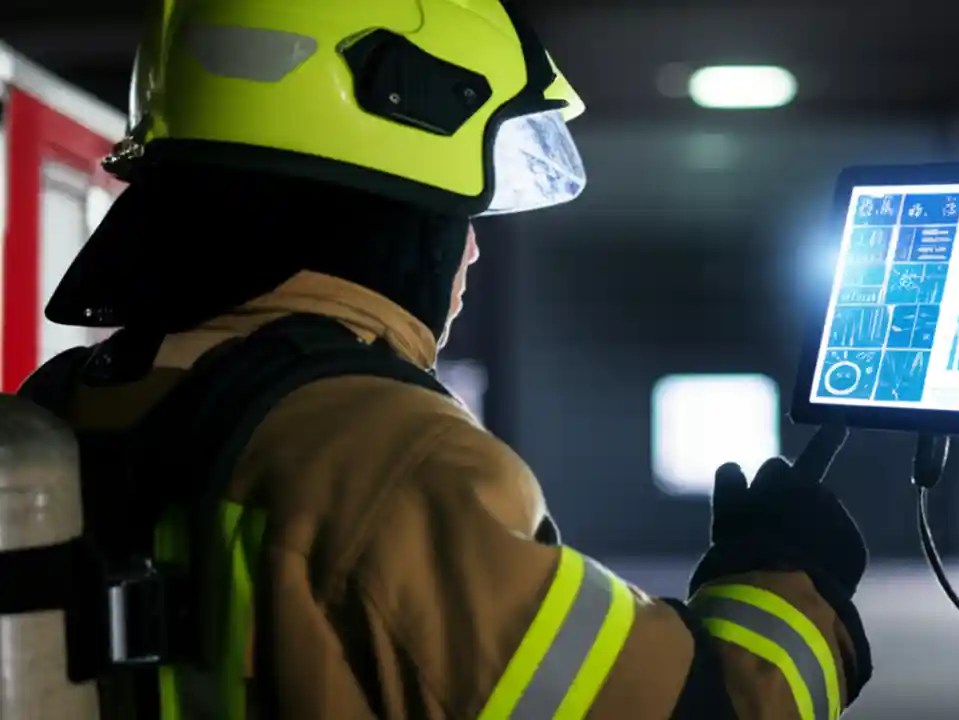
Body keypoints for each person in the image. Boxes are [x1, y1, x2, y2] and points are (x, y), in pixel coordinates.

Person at [21, 1, 873, 717]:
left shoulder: (64, 406)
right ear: (396, 201)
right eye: (461, 211)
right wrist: (785, 583)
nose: (471, 255)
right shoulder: (383, 454)